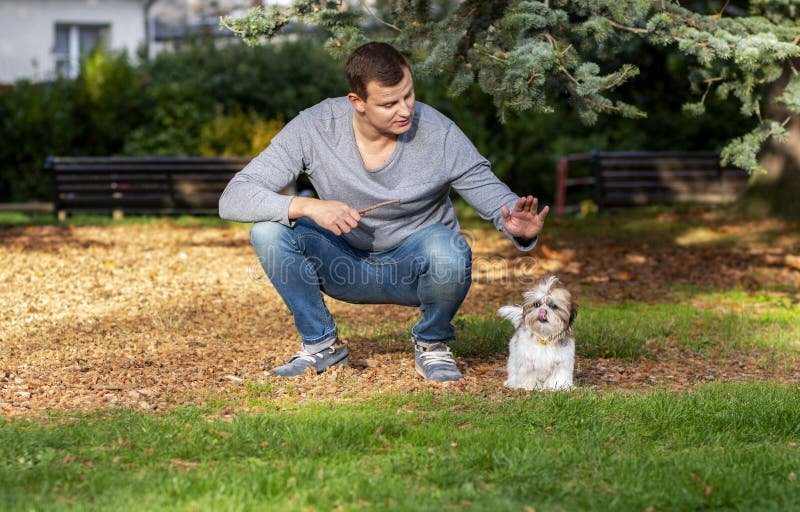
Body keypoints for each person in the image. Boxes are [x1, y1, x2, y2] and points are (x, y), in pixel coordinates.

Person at [219, 42, 549, 382]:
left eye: (408, 95)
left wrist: (518, 227)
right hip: (344, 263)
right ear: (357, 103)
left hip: (416, 271)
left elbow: (495, 199)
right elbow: (233, 196)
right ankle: (321, 345)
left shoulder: (440, 133)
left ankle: (432, 344)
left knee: (451, 247)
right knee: (267, 231)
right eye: (389, 103)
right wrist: (307, 206)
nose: (405, 110)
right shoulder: (315, 127)